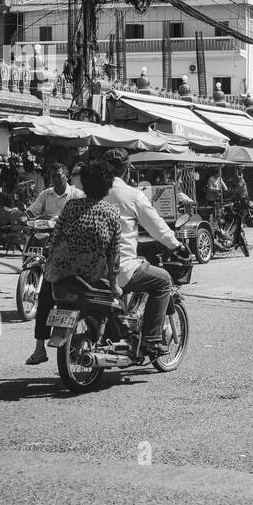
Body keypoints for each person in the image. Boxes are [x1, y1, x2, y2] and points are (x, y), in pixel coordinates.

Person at [29, 159, 123, 366]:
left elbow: (56, 239)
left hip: (60, 273)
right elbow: (114, 254)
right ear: (108, 186)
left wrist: (51, 264)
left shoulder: (71, 205)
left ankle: (38, 348)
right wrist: (115, 284)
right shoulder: (112, 212)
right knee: (116, 303)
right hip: (90, 275)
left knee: (46, 296)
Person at [103, 149, 191, 358]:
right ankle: (151, 340)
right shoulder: (132, 195)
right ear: (126, 171)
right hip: (119, 267)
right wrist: (176, 245)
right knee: (163, 280)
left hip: (86, 269)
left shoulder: (88, 193)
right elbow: (157, 227)